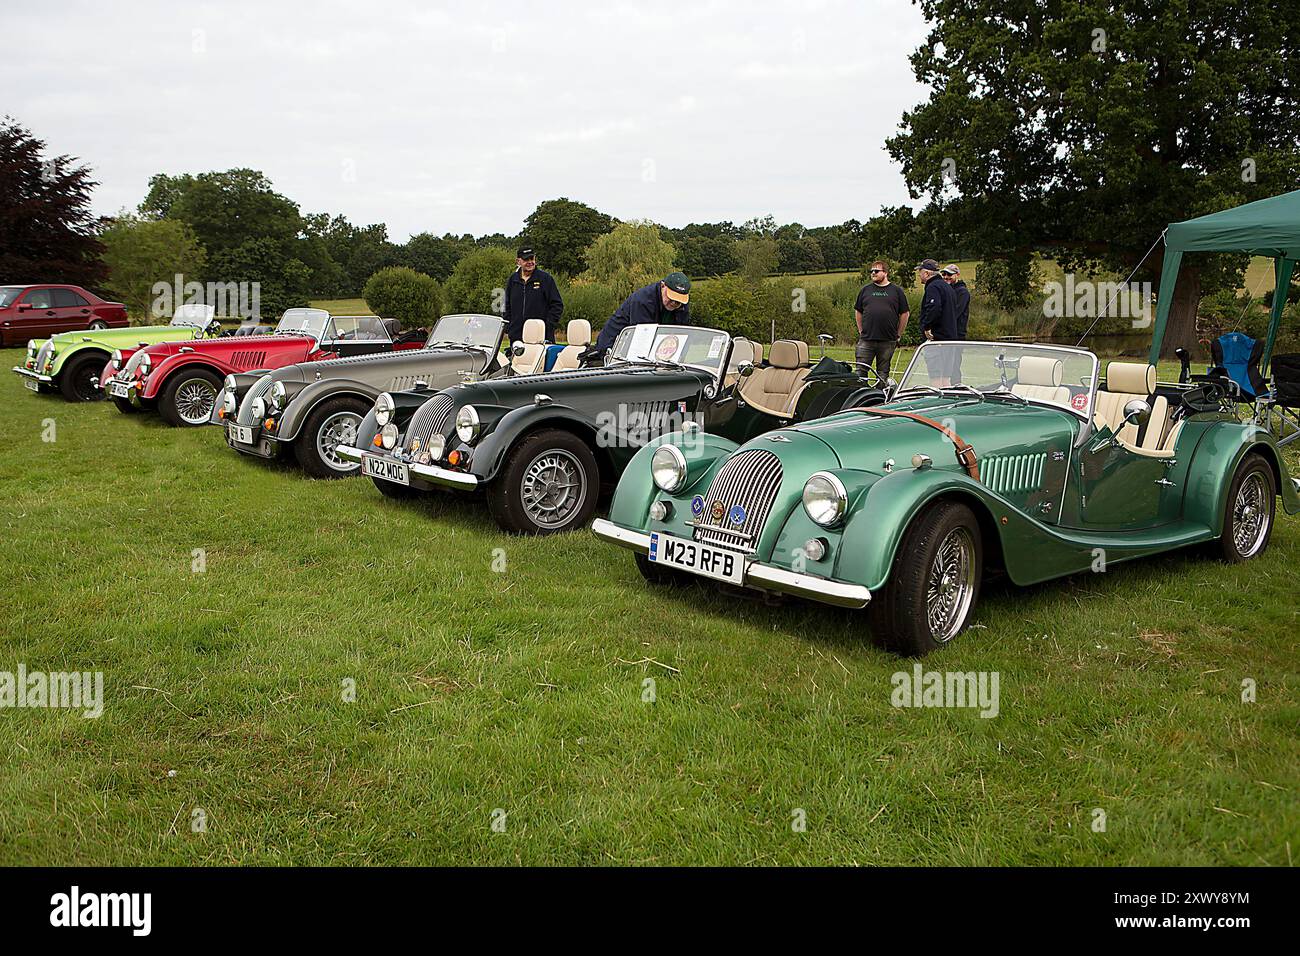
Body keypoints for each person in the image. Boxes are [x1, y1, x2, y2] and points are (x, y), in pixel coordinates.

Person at [593, 272, 691, 353]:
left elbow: (681, 334)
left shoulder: (682, 305)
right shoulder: (642, 300)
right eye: (671, 297)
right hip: (613, 347)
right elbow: (642, 340)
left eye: (678, 301)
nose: (674, 303)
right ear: (663, 286)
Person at [853, 261, 910, 379]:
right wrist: (860, 330)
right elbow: (858, 311)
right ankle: (861, 396)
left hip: (888, 340)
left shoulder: (896, 291)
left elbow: (905, 313)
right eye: (871, 271)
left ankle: (881, 396)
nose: (873, 273)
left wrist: (898, 334)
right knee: (860, 373)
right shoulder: (865, 290)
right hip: (866, 339)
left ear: (885, 273)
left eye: (876, 271)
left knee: (883, 374)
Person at [504, 244, 564, 344]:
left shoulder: (545, 279)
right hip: (517, 337)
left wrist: (547, 326)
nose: (530, 262)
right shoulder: (512, 280)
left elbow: (557, 305)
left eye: (532, 259)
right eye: (526, 259)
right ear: (518, 261)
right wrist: (509, 327)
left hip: (541, 337)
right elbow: (506, 306)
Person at [916, 258, 957, 387]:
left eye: (920, 272)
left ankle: (937, 402)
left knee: (936, 376)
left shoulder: (933, 287)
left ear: (927, 273)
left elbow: (934, 307)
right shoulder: (947, 287)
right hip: (950, 338)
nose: (919, 275)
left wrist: (927, 326)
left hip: (937, 339)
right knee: (946, 377)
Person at [941, 263, 970, 383]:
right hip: (946, 333)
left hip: (957, 333)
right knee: (944, 365)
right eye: (944, 274)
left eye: (950, 274)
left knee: (954, 365)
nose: (946, 277)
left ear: (957, 275)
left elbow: (955, 313)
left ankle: (956, 388)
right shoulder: (946, 290)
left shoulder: (962, 292)